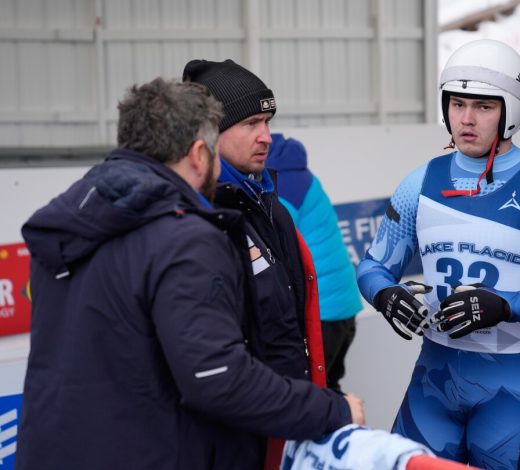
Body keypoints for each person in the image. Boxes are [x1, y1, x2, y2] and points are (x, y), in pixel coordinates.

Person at [15, 78, 362, 470]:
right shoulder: (185, 237)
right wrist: (331, 410)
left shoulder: (69, 221)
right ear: (199, 154)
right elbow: (218, 376)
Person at [356, 39, 520, 470]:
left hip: (511, 390)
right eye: (456, 103)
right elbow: (374, 266)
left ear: (512, 112)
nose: (466, 119)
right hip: (433, 382)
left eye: (484, 107)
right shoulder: (419, 182)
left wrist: (506, 306)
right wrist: (385, 294)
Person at [182, 59, 363, 466]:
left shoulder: (265, 194)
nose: (265, 136)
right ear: (209, 133)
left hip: (293, 378)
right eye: (251, 123)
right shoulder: (201, 209)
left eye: (268, 121)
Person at [266, 133, 364, 392]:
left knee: (312, 397)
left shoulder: (280, 184)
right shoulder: (304, 176)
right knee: (329, 388)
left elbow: (274, 243)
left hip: (321, 312)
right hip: (344, 307)